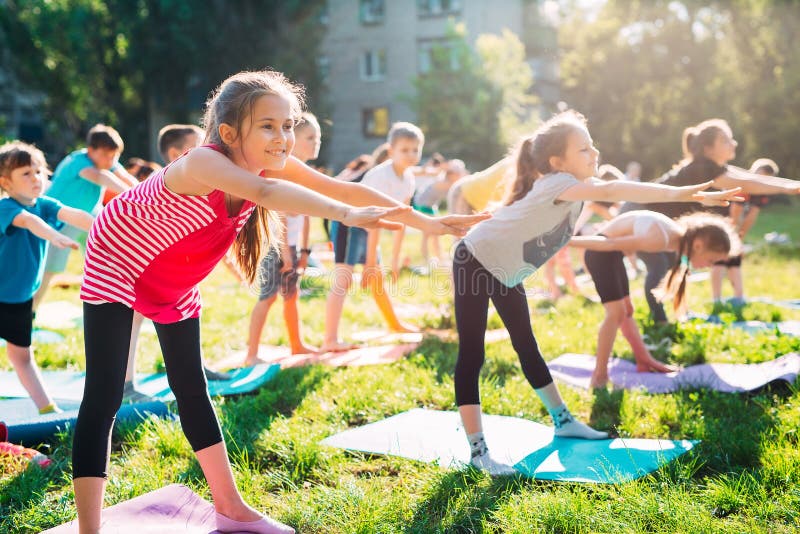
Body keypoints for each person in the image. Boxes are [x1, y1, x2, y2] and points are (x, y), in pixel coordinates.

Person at [72, 70, 486, 534]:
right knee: (104, 395)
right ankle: (90, 528)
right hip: (118, 255)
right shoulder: (203, 163)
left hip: (173, 273)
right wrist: (348, 216)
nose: (283, 136)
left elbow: (342, 189)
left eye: (288, 124)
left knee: (191, 386)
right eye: (268, 126)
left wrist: (425, 223)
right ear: (229, 133)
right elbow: (281, 196)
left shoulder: (266, 164)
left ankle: (229, 504)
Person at [453, 110, 741, 475]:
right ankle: (479, 452)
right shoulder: (559, 183)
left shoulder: (571, 188)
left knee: (526, 344)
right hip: (474, 259)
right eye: (584, 150)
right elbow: (611, 188)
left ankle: (563, 420)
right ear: (558, 162)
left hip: (503, 268)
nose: (594, 155)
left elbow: (606, 192)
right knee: (472, 353)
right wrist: (683, 191)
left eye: (593, 147)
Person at [619, 118, 800, 323]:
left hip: (652, 218)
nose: (733, 144)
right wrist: (789, 187)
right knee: (660, 265)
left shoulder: (712, 167)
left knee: (678, 264)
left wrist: (792, 184)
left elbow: (753, 179)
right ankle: (660, 321)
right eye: (725, 140)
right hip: (637, 212)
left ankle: (680, 314)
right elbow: (746, 183)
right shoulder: (701, 167)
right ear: (708, 148)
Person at [570, 211, 738, 387]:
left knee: (626, 311)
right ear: (698, 245)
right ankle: (599, 376)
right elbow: (608, 242)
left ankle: (644, 360)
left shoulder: (673, 238)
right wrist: (566, 241)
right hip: (601, 254)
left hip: (612, 255)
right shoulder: (661, 238)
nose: (709, 266)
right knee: (616, 313)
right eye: (711, 260)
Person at [122, 126, 226, 404]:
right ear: (177, 153)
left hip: (175, 272)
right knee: (132, 321)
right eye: (199, 145)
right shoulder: (164, 184)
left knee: (186, 316)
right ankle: (126, 383)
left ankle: (196, 366)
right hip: (139, 269)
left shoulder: (196, 182)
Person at [0, 141, 94, 414]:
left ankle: (46, 409)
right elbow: (29, 222)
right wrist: (54, 235)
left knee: (22, 356)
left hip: (19, 298)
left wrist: (105, 225)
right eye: (26, 174)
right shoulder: (6, 207)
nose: (36, 178)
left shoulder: (45, 204)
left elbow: (74, 214)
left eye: (39, 171)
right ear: (6, 182)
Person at [321, 128, 420, 352]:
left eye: (415, 149)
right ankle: (330, 339)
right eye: (404, 150)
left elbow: (402, 219)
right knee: (344, 278)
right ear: (391, 150)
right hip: (350, 222)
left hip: (371, 225)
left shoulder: (408, 178)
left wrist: (394, 261)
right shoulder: (381, 175)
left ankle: (395, 324)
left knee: (376, 279)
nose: (411, 154)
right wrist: (369, 264)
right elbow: (371, 218)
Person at [32, 124, 138, 311]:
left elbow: (126, 178)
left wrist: (141, 191)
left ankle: (110, 304)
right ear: (91, 150)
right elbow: (101, 178)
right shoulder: (78, 162)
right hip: (60, 219)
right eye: (106, 155)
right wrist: (134, 196)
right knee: (49, 269)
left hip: (89, 216)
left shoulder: (106, 161)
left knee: (107, 257)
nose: (111, 160)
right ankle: (30, 312)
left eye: (114, 156)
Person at [244, 112, 320, 364]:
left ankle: (297, 344)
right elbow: (282, 214)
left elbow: (308, 213)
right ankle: (252, 354)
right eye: (311, 137)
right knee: (268, 296)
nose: (316, 142)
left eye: (318, 137)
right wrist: (287, 253)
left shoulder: (305, 172)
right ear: (293, 139)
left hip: (293, 247)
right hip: (275, 246)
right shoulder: (282, 169)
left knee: (291, 295)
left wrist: (305, 251)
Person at [711, 158, 780, 304]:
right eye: (759, 177)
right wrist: (732, 240)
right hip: (720, 220)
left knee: (734, 260)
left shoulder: (761, 192)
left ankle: (738, 298)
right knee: (720, 259)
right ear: (753, 172)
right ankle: (716, 300)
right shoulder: (741, 184)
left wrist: (739, 240)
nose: (761, 183)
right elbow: (734, 214)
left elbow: (751, 217)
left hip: (732, 226)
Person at [414, 159, 467, 267]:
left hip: (430, 206)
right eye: (458, 173)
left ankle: (440, 258)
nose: (460, 175)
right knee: (427, 234)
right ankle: (426, 260)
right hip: (422, 205)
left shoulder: (447, 180)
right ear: (452, 174)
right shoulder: (446, 183)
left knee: (436, 233)